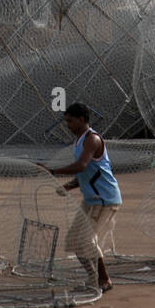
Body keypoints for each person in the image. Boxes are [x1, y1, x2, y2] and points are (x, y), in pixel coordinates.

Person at [41, 101, 122, 293]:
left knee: (86, 240)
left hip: (105, 200)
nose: (67, 125)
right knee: (74, 241)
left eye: (70, 121)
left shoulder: (91, 139)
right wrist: (68, 186)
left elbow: (82, 166)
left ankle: (104, 280)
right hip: (91, 199)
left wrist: (52, 170)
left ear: (81, 120)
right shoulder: (78, 142)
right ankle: (93, 277)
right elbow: (86, 173)